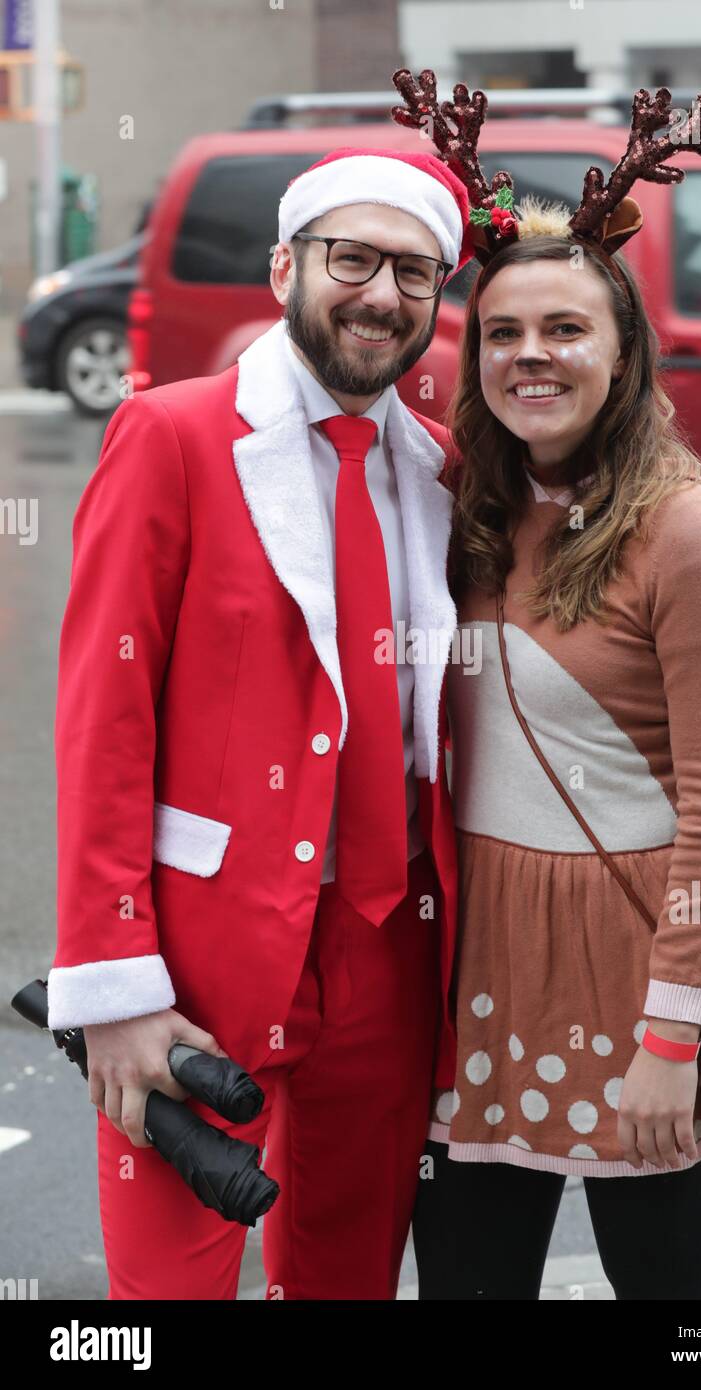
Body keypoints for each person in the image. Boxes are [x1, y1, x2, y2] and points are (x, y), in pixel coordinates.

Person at [47, 145, 474, 1300]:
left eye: (417, 273)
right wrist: (115, 979)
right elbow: (102, 721)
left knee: (347, 1277)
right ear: (284, 265)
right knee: (166, 1290)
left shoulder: (439, 473)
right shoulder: (174, 438)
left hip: (388, 947)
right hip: (198, 952)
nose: (384, 294)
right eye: (353, 259)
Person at [406, 82, 701, 1299]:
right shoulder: (470, 506)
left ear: (621, 352)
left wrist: (673, 1038)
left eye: (564, 330)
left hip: (631, 971)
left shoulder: (684, 531)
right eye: (502, 333)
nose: (530, 357)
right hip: (477, 969)